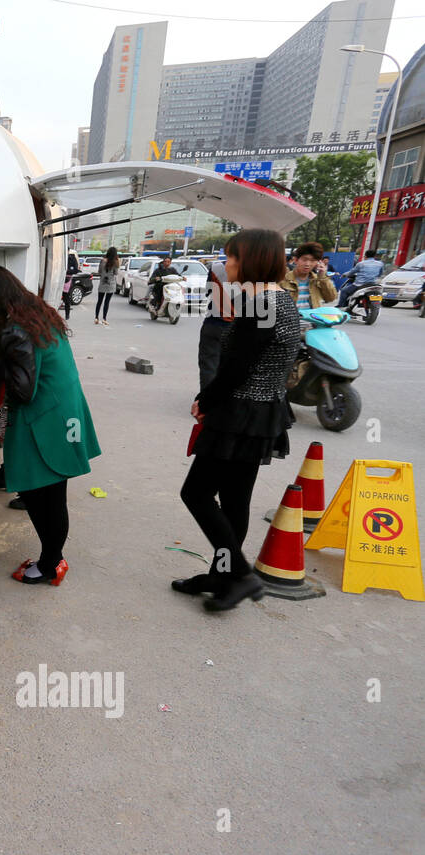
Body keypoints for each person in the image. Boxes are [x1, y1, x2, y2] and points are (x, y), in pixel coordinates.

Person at [177, 229, 303, 611]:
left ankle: (241, 575)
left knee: (196, 493)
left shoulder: (262, 305)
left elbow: (235, 370)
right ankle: (222, 576)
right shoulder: (278, 298)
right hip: (261, 411)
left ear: (251, 261)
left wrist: (204, 400)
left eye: (232, 258)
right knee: (234, 500)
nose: (226, 264)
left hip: (240, 413)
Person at [0, 265, 102, 585]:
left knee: (46, 498)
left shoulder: (14, 331)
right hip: (63, 410)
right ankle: (52, 557)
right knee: (43, 490)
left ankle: (52, 564)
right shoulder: (38, 313)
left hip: (43, 419)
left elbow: (23, 391)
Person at [199, 259, 233, 392]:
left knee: (209, 365)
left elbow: (208, 291)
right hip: (239, 327)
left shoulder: (216, 267)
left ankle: (206, 403)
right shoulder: (255, 271)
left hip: (214, 322)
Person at [280, 242, 337, 311]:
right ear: (296, 260)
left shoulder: (318, 280)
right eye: (304, 260)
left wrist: (323, 277)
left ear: (318, 262)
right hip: (291, 320)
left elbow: (330, 298)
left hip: (312, 320)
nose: (308, 264)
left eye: (312, 260)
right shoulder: (283, 279)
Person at [94, 246, 119, 326]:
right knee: (106, 302)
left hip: (102, 283)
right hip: (111, 284)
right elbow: (116, 273)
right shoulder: (115, 262)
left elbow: (99, 271)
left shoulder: (102, 261)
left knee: (99, 301)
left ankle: (96, 318)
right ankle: (104, 319)